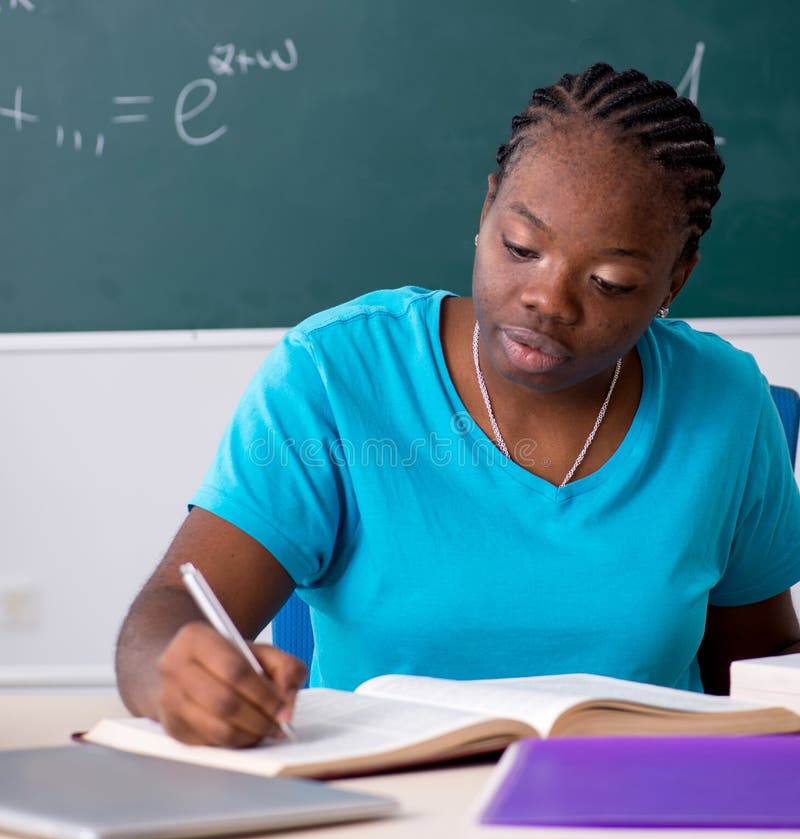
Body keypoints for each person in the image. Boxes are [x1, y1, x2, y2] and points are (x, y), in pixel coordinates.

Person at [115, 62, 800, 748]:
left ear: (675, 279)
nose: (548, 300)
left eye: (610, 281)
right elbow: (166, 617)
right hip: (387, 798)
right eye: (521, 248)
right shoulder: (336, 374)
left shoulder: (725, 402)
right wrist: (178, 676)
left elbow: (758, 674)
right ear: (487, 209)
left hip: (641, 799)